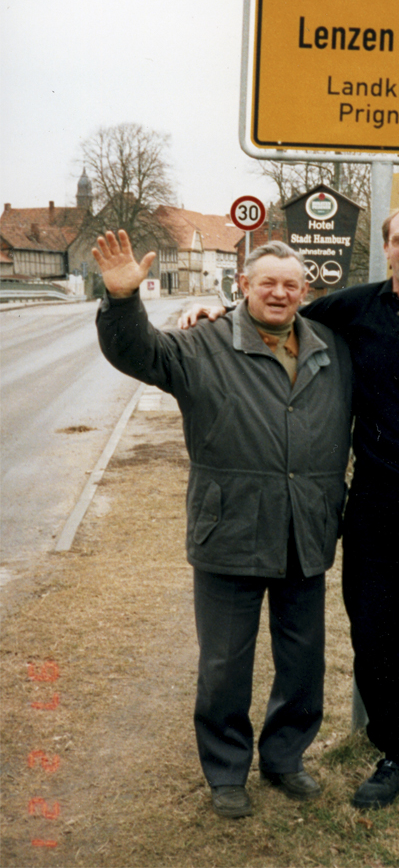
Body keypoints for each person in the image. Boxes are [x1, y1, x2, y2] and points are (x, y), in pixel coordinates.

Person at [184, 205, 399, 826]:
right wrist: (214, 312)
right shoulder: (354, 309)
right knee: (375, 646)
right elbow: (276, 311)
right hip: (372, 515)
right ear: (387, 248)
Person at [93, 231, 352, 820]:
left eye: (291, 285)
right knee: (225, 664)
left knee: (304, 659)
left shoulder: (333, 348)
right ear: (243, 286)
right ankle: (227, 770)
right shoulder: (202, 344)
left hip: (306, 529)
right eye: (268, 283)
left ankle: (285, 757)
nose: (279, 293)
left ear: (305, 291)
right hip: (229, 528)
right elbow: (138, 352)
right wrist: (123, 300)